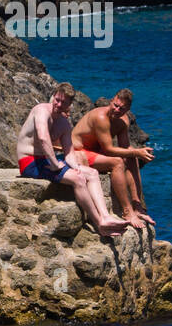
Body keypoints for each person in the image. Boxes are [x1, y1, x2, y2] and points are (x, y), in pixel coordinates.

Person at [15, 83, 129, 237]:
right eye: (57, 100)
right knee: (78, 180)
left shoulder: (63, 123)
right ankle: (99, 223)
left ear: (70, 104)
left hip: (47, 160)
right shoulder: (42, 111)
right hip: (29, 161)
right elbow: (43, 138)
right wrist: (56, 164)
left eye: (64, 102)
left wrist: (75, 167)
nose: (59, 104)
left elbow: (69, 152)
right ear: (53, 96)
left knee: (91, 173)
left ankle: (105, 216)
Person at [70, 89, 155, 229]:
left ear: (127, 109)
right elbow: (109, 149)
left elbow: (125, 148)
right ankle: (127, 212)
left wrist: (135, 153)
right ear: (112, 101)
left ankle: (138, 206)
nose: (116, 110)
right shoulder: (101, 118)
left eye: (121, 108)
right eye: (115, 105)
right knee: (117, 163)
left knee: (131, 156)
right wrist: (137, 151)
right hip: (78, 153)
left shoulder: (123, 121)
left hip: (95, 152)